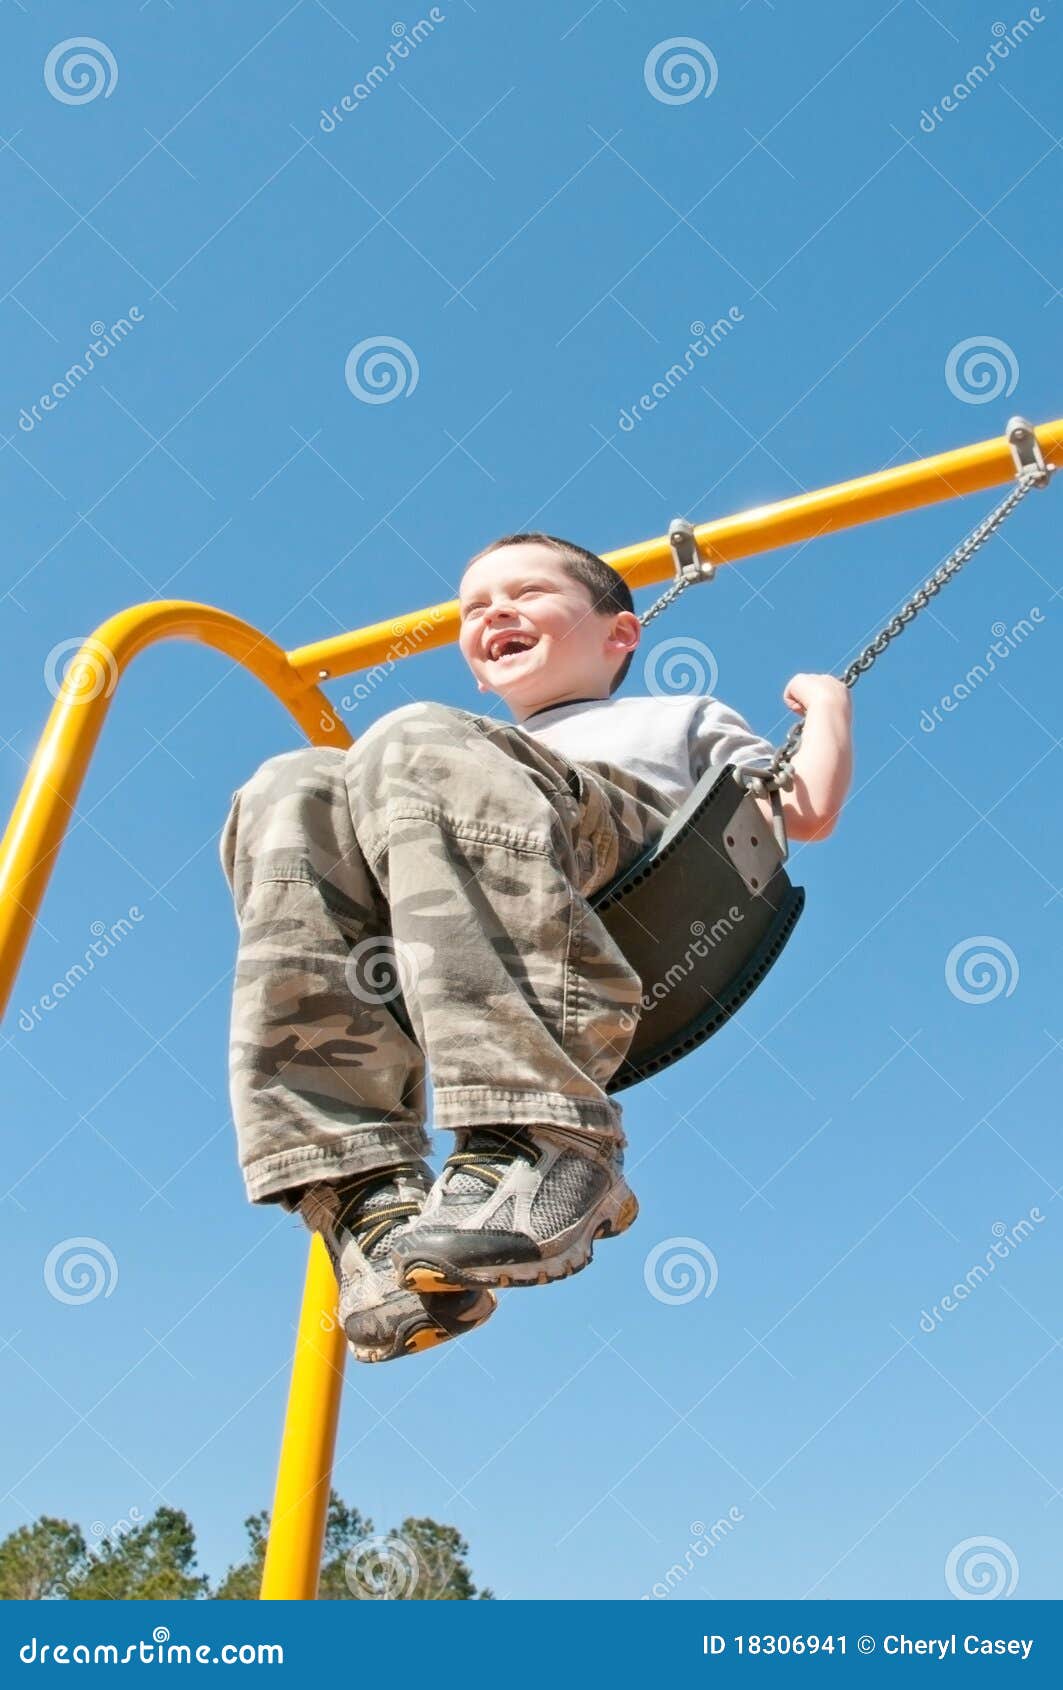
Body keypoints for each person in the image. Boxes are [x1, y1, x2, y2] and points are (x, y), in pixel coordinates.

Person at [219, 533, 853, 1365]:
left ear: (619, 634)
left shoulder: (670, 716)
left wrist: (829, 706)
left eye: (525, 593)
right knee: (289, 786)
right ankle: (366, 1194)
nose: (494, 613)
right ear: (477, 667)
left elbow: (795, 816)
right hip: (455, 926)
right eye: (475, 608)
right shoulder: (438, 754)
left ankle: (542, 1137)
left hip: (639, 883)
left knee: (409, 736)